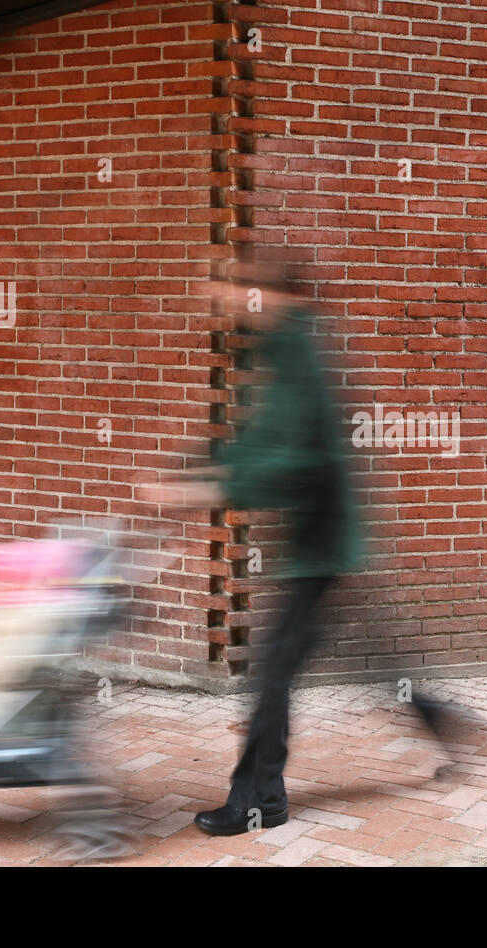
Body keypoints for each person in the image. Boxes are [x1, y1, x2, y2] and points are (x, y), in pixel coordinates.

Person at [141, 254, 463, 837]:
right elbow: (256, 440)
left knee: (273, 673)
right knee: (374, 662)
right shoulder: (285, 347)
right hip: (322, 541)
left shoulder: (299, 354)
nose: (224, 297)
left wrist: (206, 482)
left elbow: (289, 454)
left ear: (269, 294)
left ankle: (258, 799)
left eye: (235, 288)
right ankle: (440, 716)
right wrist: (197, 468)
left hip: (322, 543)